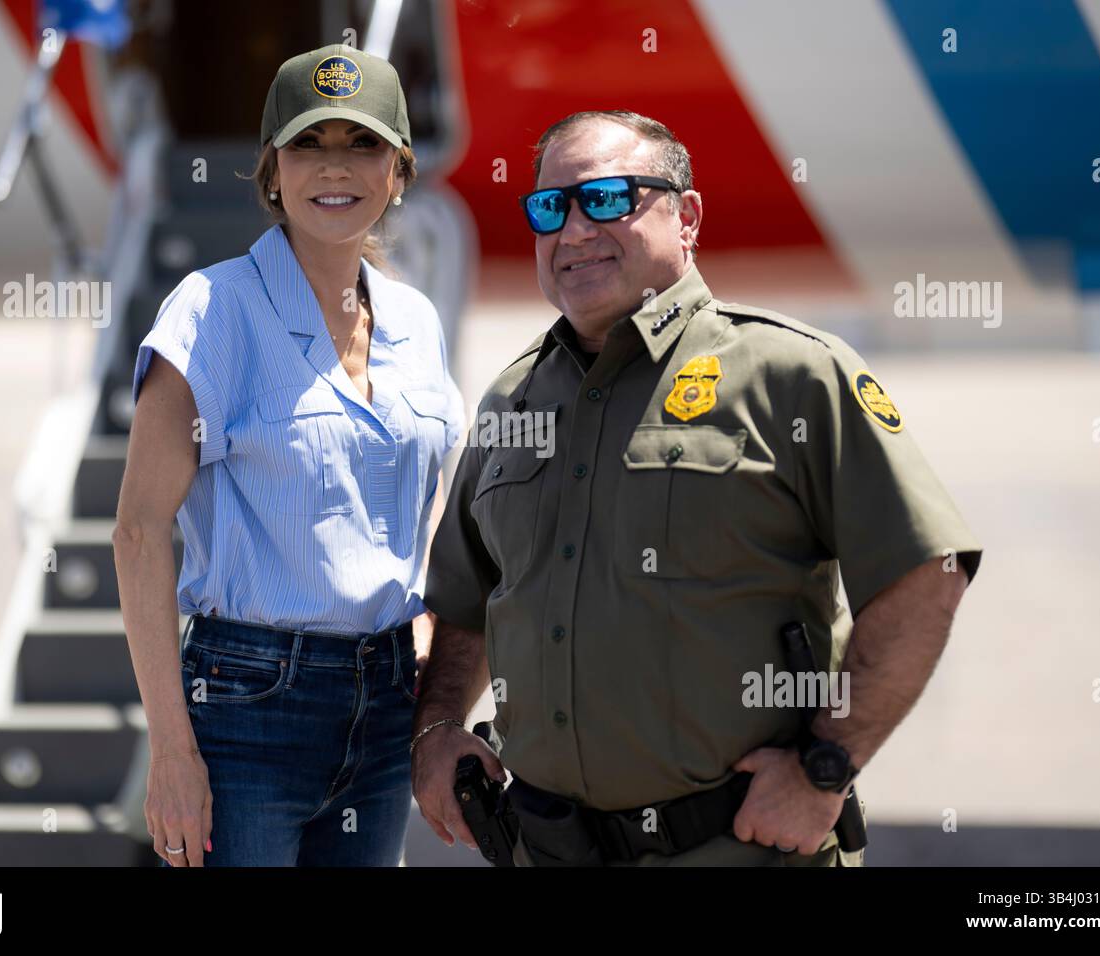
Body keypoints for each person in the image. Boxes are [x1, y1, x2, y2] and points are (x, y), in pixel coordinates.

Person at [410, 110, 982, 866]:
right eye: (551, 208)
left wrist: (826, 770)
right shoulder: (512, 402)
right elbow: (464, 602)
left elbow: (924, 573)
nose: (574, 230)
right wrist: (438, 725)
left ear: (687, 216)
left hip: (737, 848)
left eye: (609, 199)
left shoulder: (791, 374)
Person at [113, 45, 463, 867]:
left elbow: (431, 480)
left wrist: (425, 615)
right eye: (309, 144)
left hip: (384, 703)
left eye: (363, 144)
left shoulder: (418, 322)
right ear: (272, 170)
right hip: (246, 703)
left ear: (400, 171)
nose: (334, 168)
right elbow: (136, 533)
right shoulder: (213, 311)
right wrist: (171, 752)